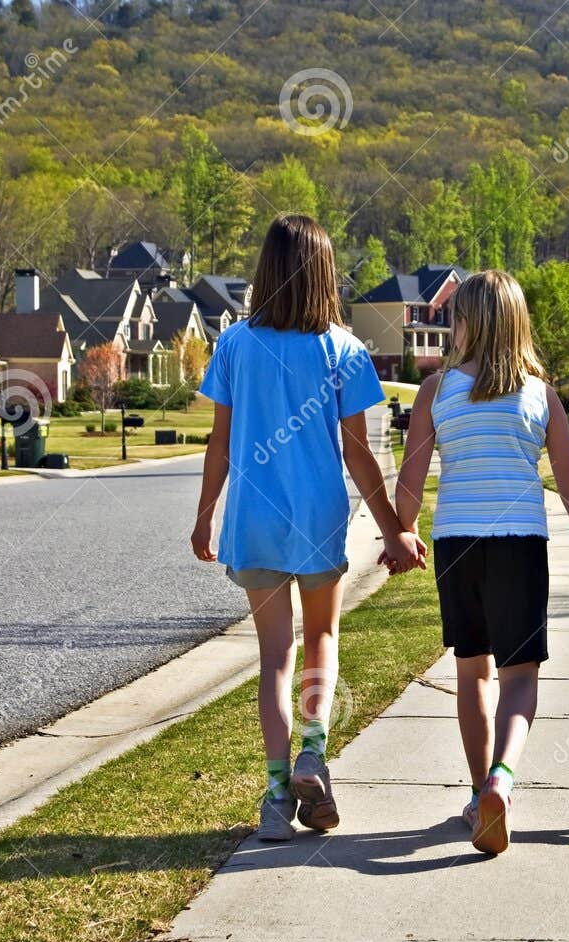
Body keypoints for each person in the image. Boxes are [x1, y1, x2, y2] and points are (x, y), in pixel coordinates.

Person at [190, 215, 425, 842]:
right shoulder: (343, 349)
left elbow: (218, 444)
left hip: (252, 520)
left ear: (265, 269)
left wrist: (205, 513)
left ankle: (273, 799)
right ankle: (313, 754)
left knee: (274, 656)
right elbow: (359, 454)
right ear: (326, 273)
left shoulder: (235, 344)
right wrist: (395, 529)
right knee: (321, 635)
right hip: (319, 518)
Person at [392, 270, 569, 855]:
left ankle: (476, 792)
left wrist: (402, 532)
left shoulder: (436, 391)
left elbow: (412, 476)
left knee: (472, 671)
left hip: (458, 542)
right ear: (518, 324)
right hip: (519, 544)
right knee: (519, 677)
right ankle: (502, 782)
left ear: (464, 323)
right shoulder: (541, 394)